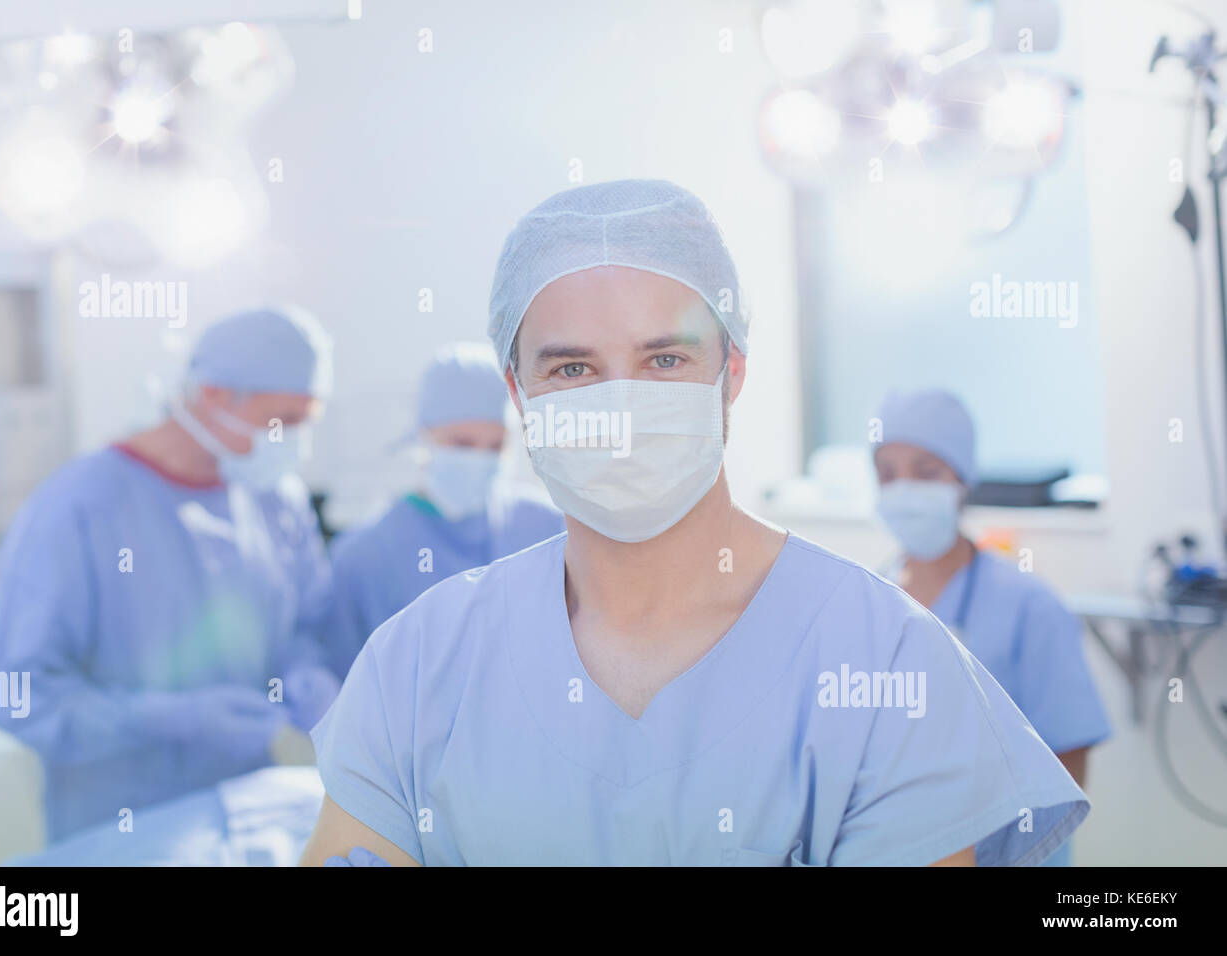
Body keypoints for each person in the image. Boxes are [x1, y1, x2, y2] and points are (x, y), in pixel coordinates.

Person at [302, 179, 1088, 867]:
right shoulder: (416, 665)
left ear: (731, 371)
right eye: (572, 369)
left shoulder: (885, 659)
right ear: (520, 394)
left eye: (665, 360)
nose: (619, 406)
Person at [0, 306, 341, 842]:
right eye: (282, 422)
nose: (293, 443)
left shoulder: (275, 500)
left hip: (243, 816)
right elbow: (19, 695)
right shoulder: (79, 507)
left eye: (305, 423)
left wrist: (305, 674)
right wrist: (160, 719)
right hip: (116, 826)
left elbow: (304, 623)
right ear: (214, 396)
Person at [871, 387, 1112, 866]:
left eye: (926, 471)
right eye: (887, 474)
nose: (904, 489)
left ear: (962, 480)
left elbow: (1069, 759)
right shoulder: (871, 600)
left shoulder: (1029, 604)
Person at [324, 343, 563, 678]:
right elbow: (344, 685)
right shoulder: (365, 556)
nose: (479, 461)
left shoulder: (547, 527)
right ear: (424, 437)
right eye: (462, 444)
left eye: (495, 447)